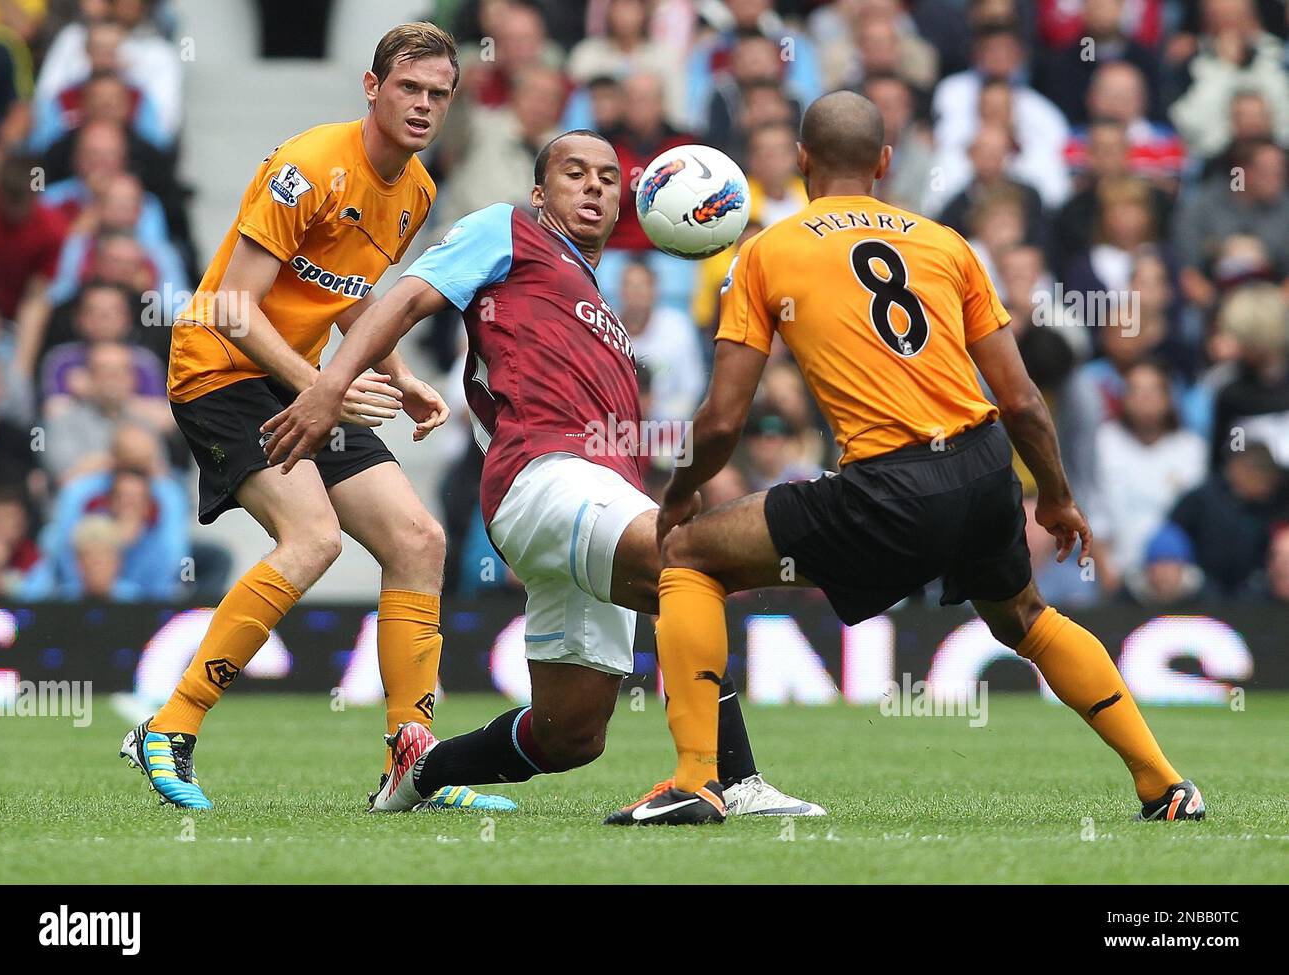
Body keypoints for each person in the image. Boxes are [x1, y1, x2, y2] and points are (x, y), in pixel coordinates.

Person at [605, 91, 1203, 826]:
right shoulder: (948, 245)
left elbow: (724, 418)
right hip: (984, 469)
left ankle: (696, 780)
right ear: (884, 163)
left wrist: (678, 491)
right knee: (1024, 615)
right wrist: (1055, 495)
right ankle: (1164, 783)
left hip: (890, 487)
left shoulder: (769, 250)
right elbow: (1020, 402)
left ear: (801, 161)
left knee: (691, 556)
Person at [263, 129, 823, 819]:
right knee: (687, 566)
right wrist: (330, 385)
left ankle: (421, 768)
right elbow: (404, 301)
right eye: (574, 173)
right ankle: (729, 779)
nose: (593, 186)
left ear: (626, 202)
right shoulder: (507, 231)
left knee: (570, 734)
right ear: (539, 192)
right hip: (541, 475)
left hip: (600, 491)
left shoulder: (596, 303)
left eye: (607, 178)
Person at [116, 22, 508, 814]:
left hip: (298, 377)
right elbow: (232, 306)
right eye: (409, 89)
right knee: (315, 539)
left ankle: (414, 761)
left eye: (439, 94)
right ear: (372, 88)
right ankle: (169, 725)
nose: (424, 106)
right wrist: (323, 388)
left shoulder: (418, 192)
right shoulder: (308, 168)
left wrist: (401, 374)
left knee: (419, 539)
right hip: (219, 369)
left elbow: (347, 293)